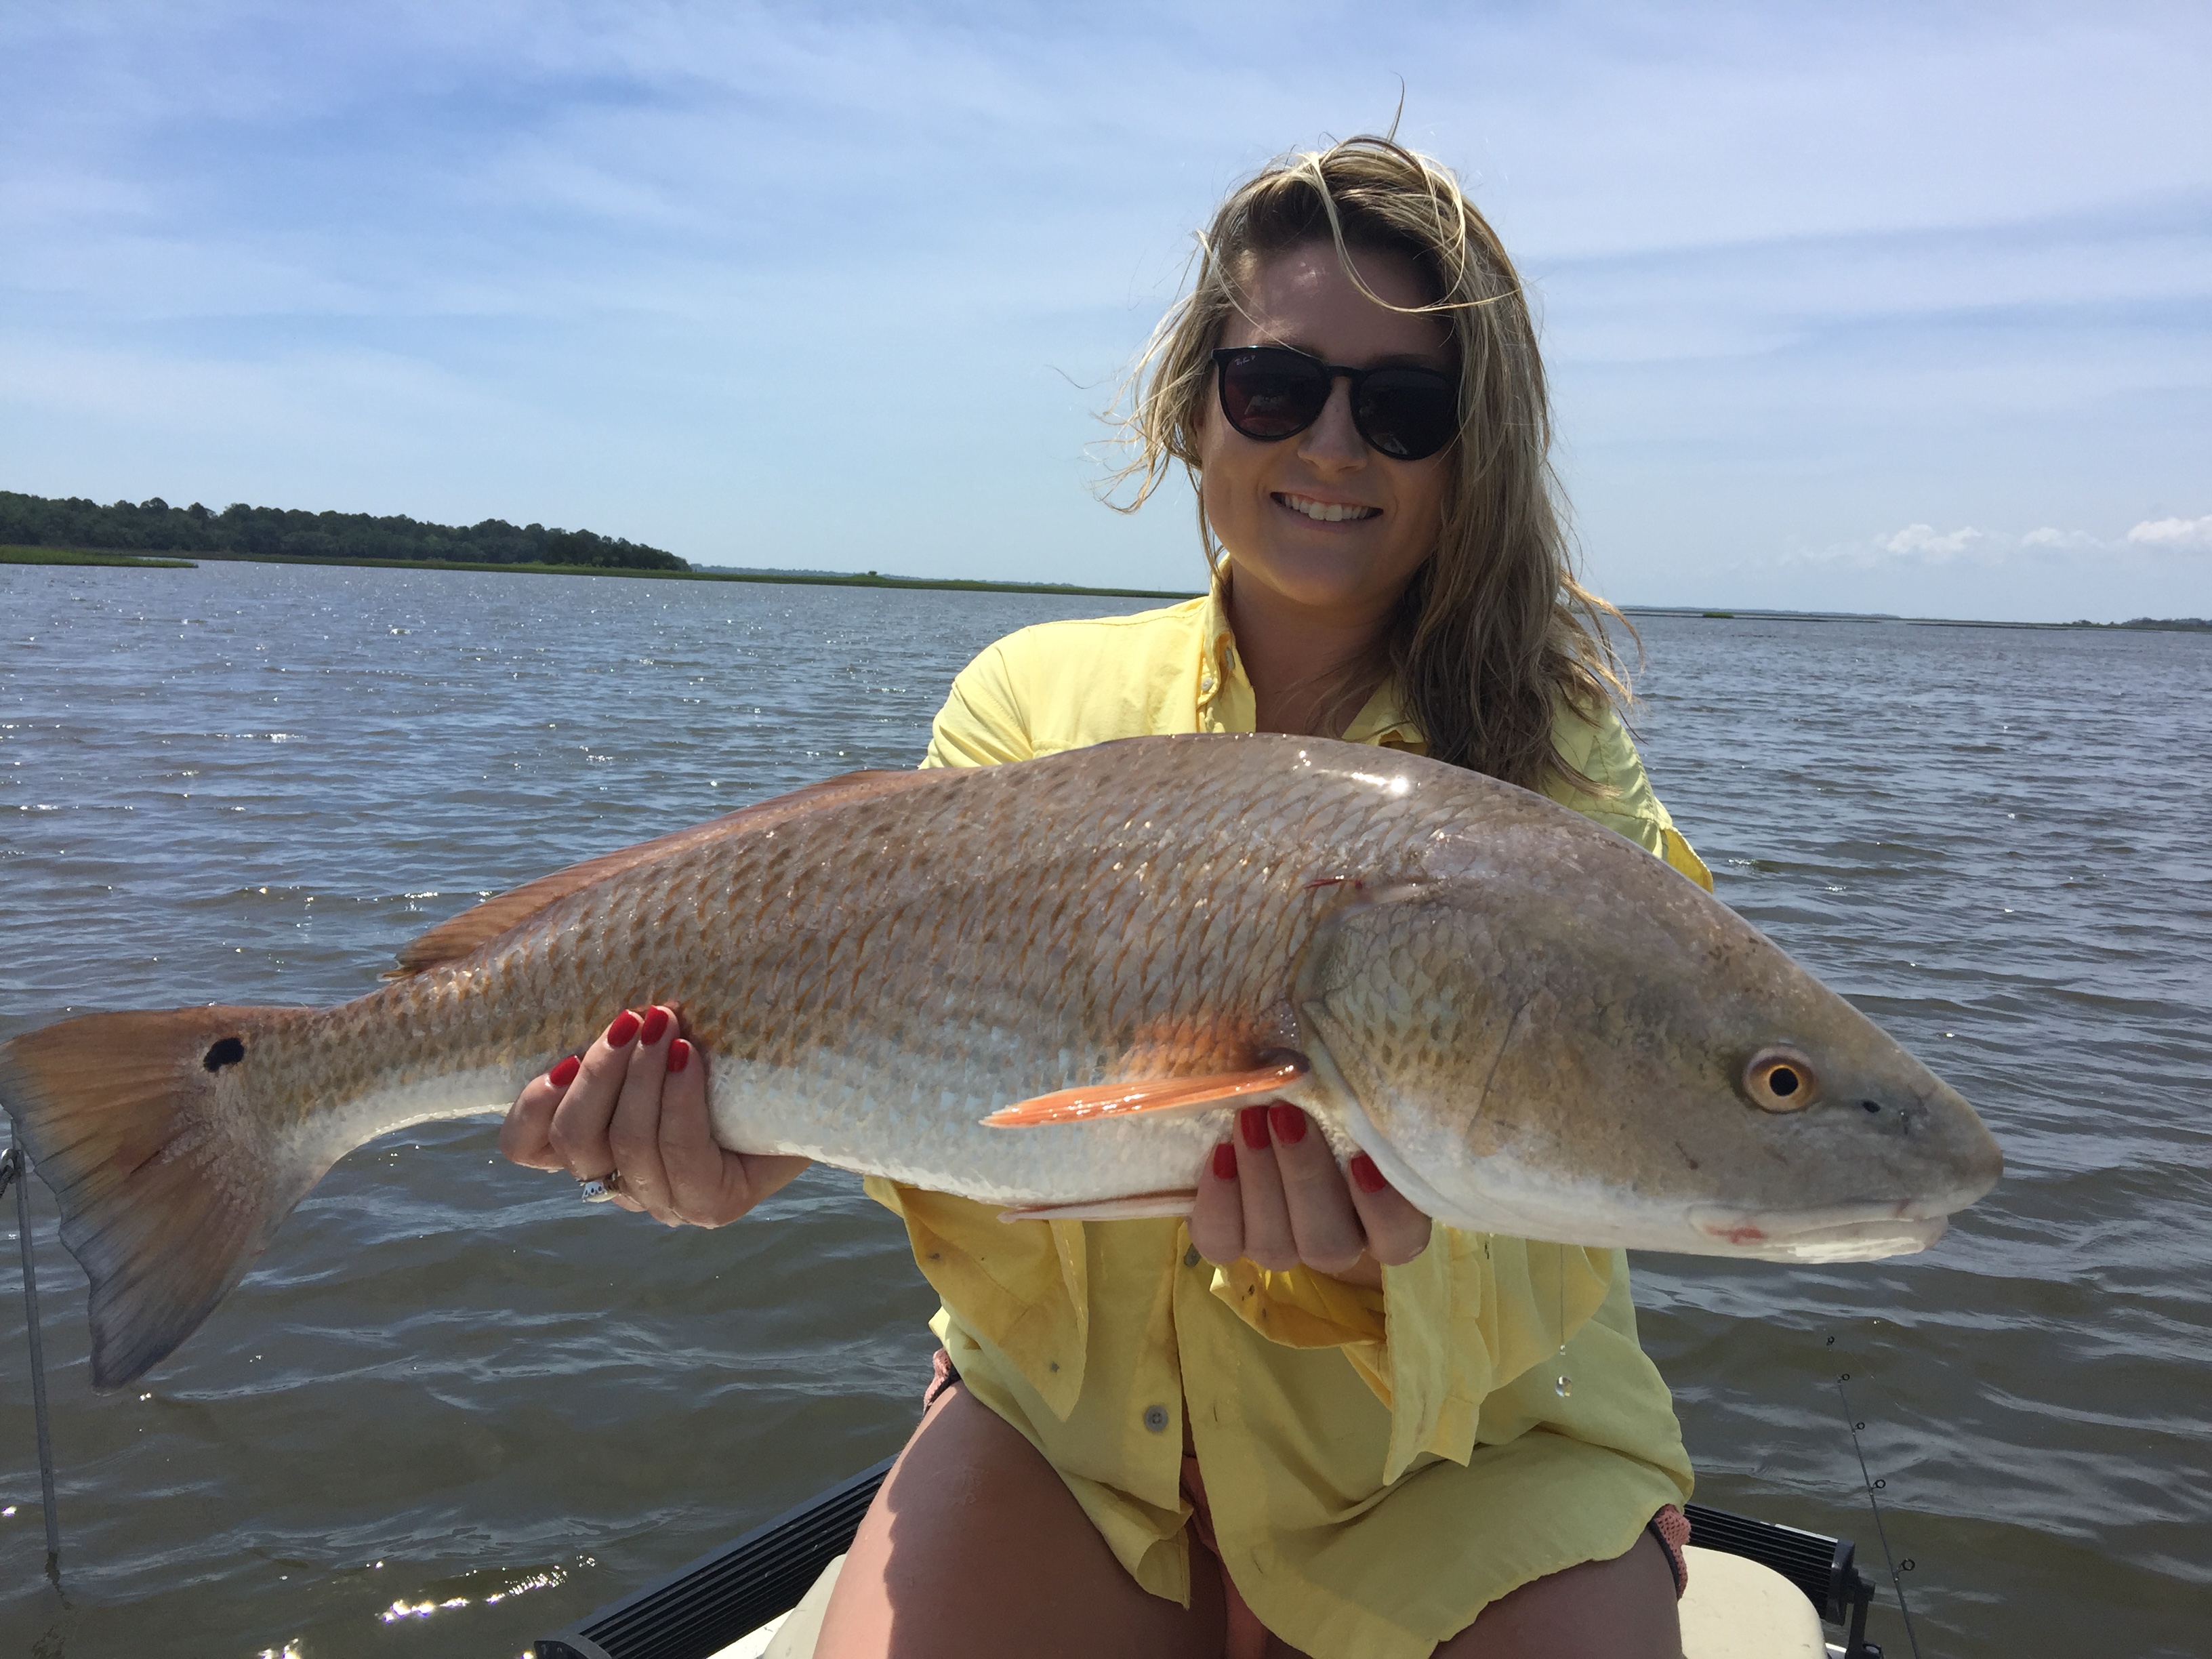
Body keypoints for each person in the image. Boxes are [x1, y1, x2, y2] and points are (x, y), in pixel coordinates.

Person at [500, 136, 1711, 1659]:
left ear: (1478, 450)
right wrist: (739, 1145)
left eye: (1405, 410)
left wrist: (1358, 1275)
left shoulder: (1560, 768)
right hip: (1072, 1445)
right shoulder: (1028, 702)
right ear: (1196, 405)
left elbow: (1619, 1147)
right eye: (1277, 387)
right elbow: (936, 1078)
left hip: (1479, 1461)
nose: (1334, 446)